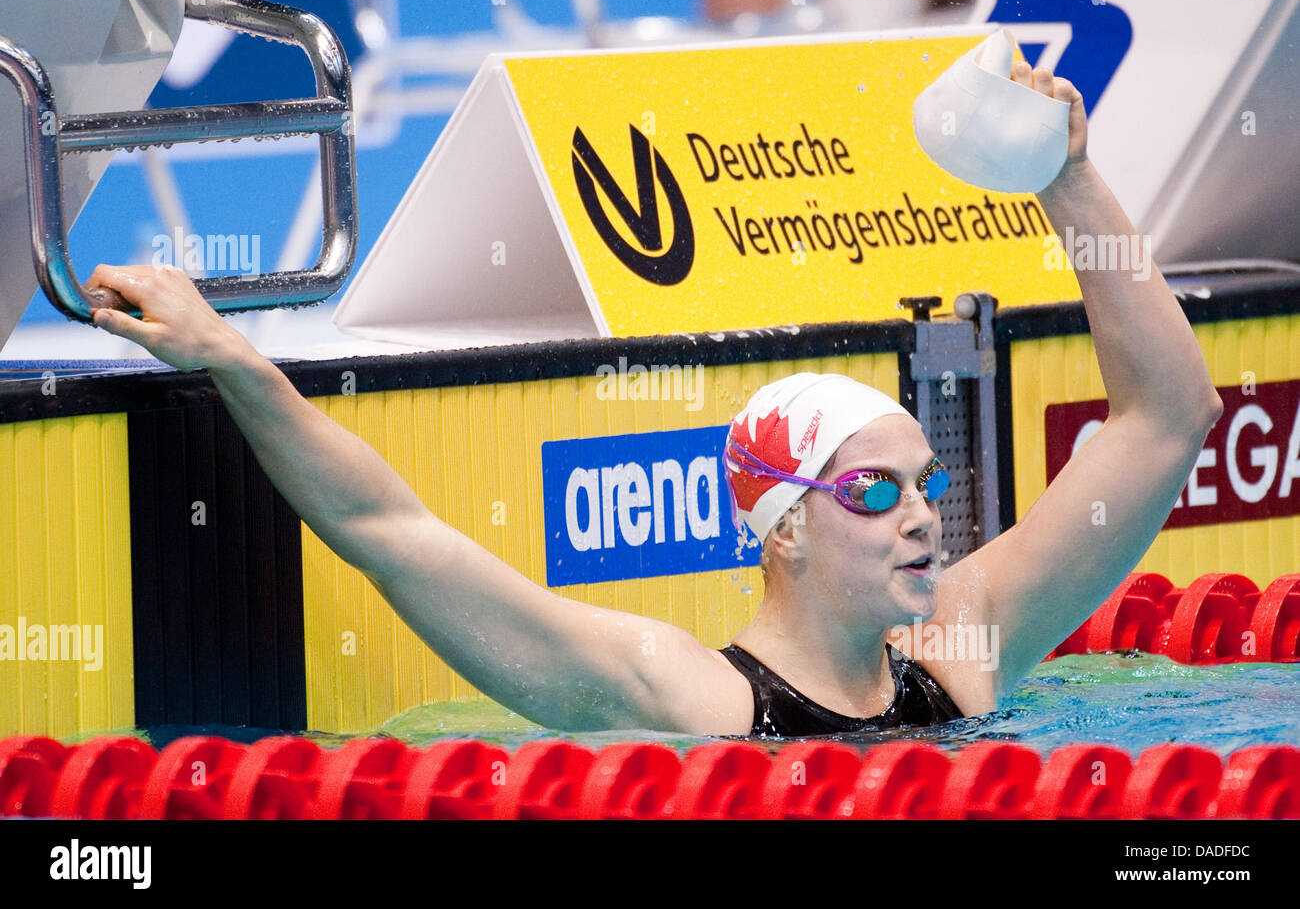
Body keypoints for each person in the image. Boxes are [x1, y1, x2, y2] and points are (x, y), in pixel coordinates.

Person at [86, 60, 1223, 738]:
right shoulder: (691, 702)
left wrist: (1069, 179)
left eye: (925, 483)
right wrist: (231, 357)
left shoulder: (962, 654)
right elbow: (396, 535)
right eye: (876, 488)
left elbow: (1166, 423)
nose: (923, 514)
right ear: (782, 523)